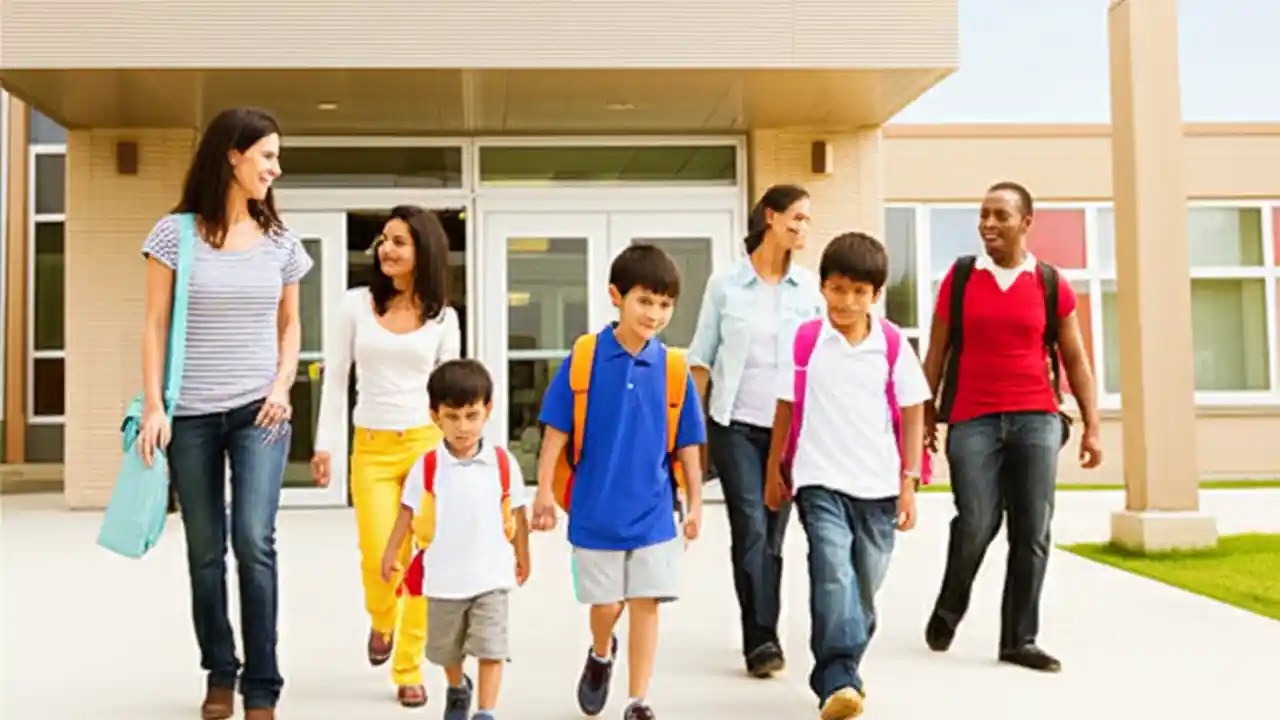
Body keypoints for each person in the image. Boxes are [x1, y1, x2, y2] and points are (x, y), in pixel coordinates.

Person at [137, 106, 313, 720]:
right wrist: (156, 404)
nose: (275, 167)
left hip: (259, 413)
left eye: (276, 156)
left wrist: (282, 386)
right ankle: (220, 669)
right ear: (231, 156)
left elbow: (290, 325)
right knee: (205, 551)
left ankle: (262, 684)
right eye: (266, 155)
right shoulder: (174, 234)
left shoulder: (282, 243)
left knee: (253, 542)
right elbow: (154, 322)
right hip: (189, 413)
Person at [922, 181, 1102, 673]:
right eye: (983, 215)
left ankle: (1019, 639)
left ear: (1026, 222)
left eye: (1000, 215)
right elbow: (936, 354)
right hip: (972, 418)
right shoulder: (959, 279)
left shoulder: (1050, 283)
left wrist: (1092, 424)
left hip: (1037, 416)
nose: (988, 224)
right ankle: (949, 606)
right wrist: (921, 420)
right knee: (977, 521)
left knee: (1033, 529)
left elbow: (1075, 358)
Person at [530, 244, 707, 720]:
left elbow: (688, 444)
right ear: (616, 296)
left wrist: (695, 503)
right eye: (644, 301)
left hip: (654, 512)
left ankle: (638, 700)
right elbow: (555, 433)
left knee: (646, 602)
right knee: (607, 605)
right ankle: (601, 650)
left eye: (664, 304)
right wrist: (544, 490)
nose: (654, 313)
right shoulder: (586, 358)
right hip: (595, 509)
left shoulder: (673, 369)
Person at [764, 232, 929, 720]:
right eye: (837, 289)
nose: (846, 301)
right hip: (819, 481)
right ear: (823, 287)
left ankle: (845, 673)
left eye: (859, 292)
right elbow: (785, 407)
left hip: (878, 486)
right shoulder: (807, 340)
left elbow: (914, 410)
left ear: (875, 295)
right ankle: (835, 676)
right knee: (832, 573)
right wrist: (776, 468)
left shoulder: (892, 344)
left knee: (863, 588)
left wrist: (909, 481)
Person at [311, 205, 460, 706]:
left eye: (400, 241)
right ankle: (381, 619)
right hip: (371, 448)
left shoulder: (444, 317)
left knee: (423, 562)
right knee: (381, 557)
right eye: (384, 240)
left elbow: (452, 392)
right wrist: (324, 444)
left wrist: (463, 455)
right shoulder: (354, 305)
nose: (387, 249)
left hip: (425, 446)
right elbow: (335, 379)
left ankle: (408, 667)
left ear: (424, 252)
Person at [687, 183, 824, 677]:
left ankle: (763, 626)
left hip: (788, 432)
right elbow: (701, 359)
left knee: (772, 536)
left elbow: (821, 358)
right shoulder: (726, 284)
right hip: (735, 426)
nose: (804, 227)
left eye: (808, 220)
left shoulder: (810, 289)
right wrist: (688, 434)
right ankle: (761, 640)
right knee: (749, 526)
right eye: (797, 218)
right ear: (770, 216)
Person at [379, 359, 531, 720]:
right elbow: (406, 511)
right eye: (453, 416)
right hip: (444, 579)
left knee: (492, 647)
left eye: (471, 415)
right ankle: (457, 686)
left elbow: (518, 513)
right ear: (435, 416)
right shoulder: (428, 466)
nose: (463, 427)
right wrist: (390, 552)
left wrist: (523, 555)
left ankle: (486, 711)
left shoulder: (502, 462)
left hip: (491, 576)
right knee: (447, 651)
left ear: (487, 411)